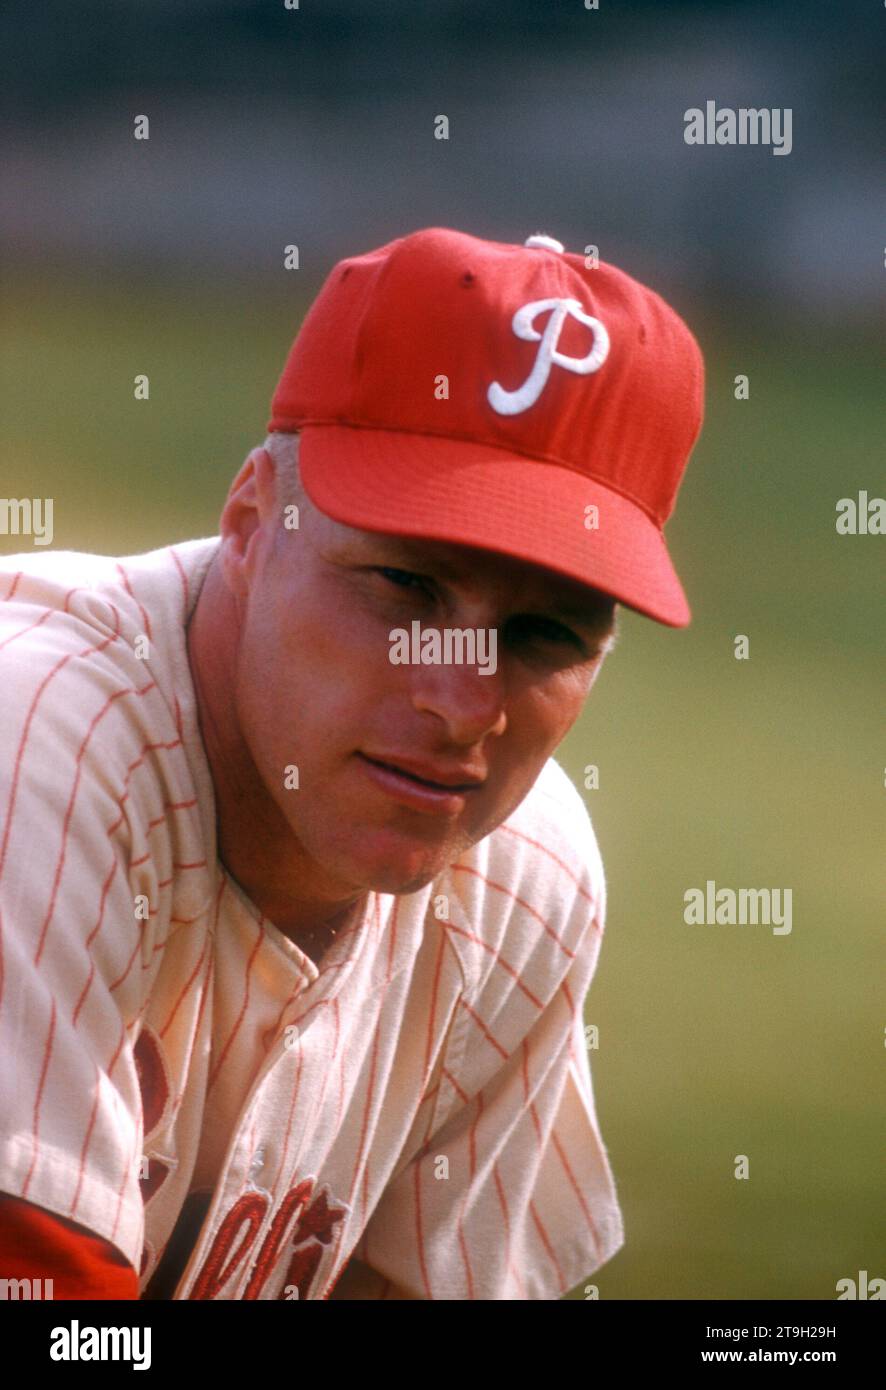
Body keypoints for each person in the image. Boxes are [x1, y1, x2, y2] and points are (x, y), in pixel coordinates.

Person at [0, 227, 705, 1299]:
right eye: (404, 587)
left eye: (546, 635)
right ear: (248, 521)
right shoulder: (40, 742)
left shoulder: (522, 881)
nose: (462, 702)